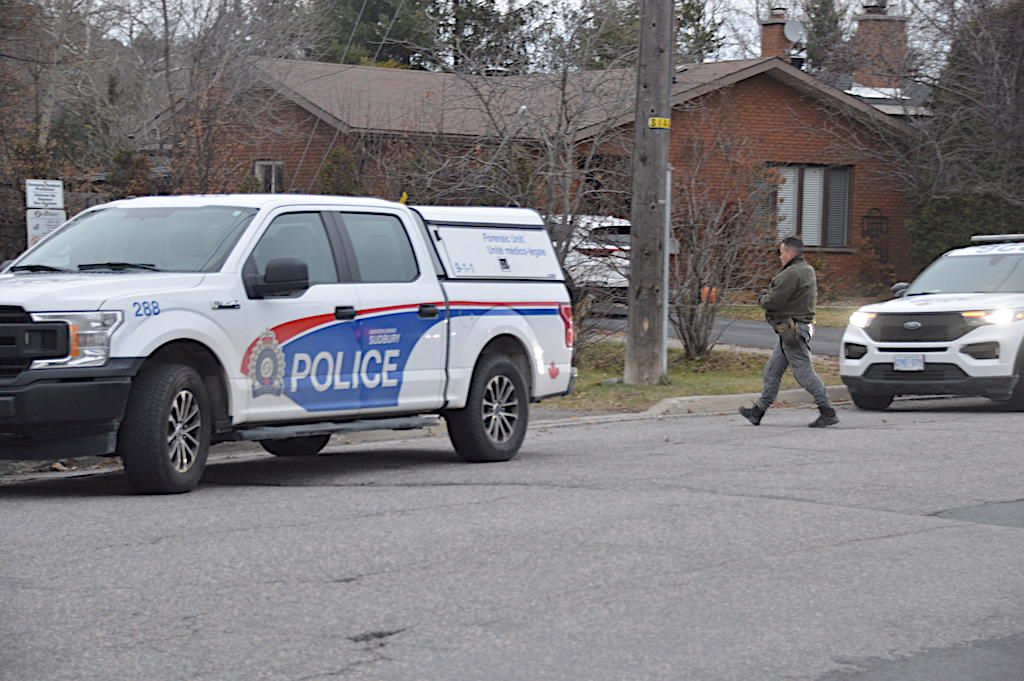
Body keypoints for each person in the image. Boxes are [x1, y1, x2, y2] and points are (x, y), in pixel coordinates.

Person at [739, 236, 839, 428]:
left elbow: (772, 301)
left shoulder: (792, 273)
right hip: (793, 330)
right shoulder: (806, 269)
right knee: (772, 371)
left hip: (793, 330)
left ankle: (827, 411)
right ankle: (758, 411)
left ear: (790, 253)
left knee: (803, 373)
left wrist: (761, 298)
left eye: (782, 252)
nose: (780, 257)